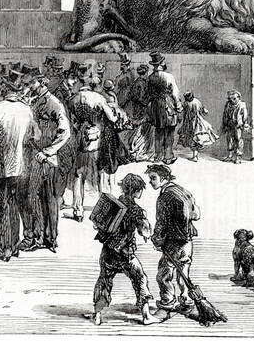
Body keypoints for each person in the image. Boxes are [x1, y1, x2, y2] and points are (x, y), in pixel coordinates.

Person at [0, 68, 39, 261]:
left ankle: (5, 248)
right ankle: (14, 244)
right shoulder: (27, 110)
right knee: (13, 205)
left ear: (4, 88)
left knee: (0, 206)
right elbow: (35, 135)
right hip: (19, 166)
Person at [84, 172, 154, 326]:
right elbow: (145, 232)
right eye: (140, 189)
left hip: (108, 252)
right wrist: (146, 227)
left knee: (104, 280)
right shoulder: (136, 210)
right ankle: (146, 315)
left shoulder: (113, 203)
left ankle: (97, 315)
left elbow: (97, 224)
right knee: (140, 279)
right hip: (125, 254)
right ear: (136, 191)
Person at [65, 65, 121, 221]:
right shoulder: (98, 98)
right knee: (101, 175)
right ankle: (104, 211)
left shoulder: (72, 99)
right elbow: (112, 118)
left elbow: (71, 121)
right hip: (96, 141)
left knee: (78, 176)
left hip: (80, 141)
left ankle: (78, 210)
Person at [23, 70, 70, 252]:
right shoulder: (34, 102)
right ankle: (40, 236)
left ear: (41, 82)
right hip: (34, 156)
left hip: (46, 159)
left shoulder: (54, 103)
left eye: (31, 84)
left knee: (47, 198)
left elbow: (64, 132)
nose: (28, 87)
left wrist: (48, 151)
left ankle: (49, 238)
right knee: (35, 197)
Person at [148, 163, 200, 319]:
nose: (151, 181)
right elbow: (196, 214)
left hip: (174, 241)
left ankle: (167, 305)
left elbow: (161, 222)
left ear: (163, 178)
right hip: (188, 240)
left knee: (164, 274)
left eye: (153, 178)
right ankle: (187, 303)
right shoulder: (183, 191)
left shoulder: (165, 197)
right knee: (183, 273)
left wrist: (157, 240)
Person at [146, 53, 181, 165]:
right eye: (163, 61)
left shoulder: (150, 77)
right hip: (168, 105)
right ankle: (168, 156)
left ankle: (158, 156)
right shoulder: (168, 76)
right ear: (161, 63)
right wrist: (178, 106)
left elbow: (149, 94)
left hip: (156, 107)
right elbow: (175, 93)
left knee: (158, 131)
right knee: (170, 132)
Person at [178, 91, 217, 163]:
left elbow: (182, 110)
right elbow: (203, 110)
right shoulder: (195, 101)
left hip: (193, 122)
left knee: (195, 138)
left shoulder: (188, 103)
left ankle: (195, 155)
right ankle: (195, 155)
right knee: (195, 138)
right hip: (194, 122)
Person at [221, 90, 249, 164]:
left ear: (238, 98)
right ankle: (229, 155)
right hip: (230, 123)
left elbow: (245, 115)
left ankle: (238, 157)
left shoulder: (242, 104)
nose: (232, 100)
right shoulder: (228, 104)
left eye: (234, 98)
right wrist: (225, 124)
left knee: (238, 139)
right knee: (229, 139)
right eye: (231, 99)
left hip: (238, 125)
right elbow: (225, 114)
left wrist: (244, 123)